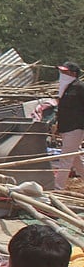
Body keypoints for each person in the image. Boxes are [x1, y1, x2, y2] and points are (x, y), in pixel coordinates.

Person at [55, 61, 84, 190]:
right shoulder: (66, 87)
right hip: (66, 128)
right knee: (75, 158)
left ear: (72, 73)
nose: (62, 74)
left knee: (65, 159)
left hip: (75, 127)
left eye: (64, 72)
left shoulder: (80, 88)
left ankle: (57, 188)